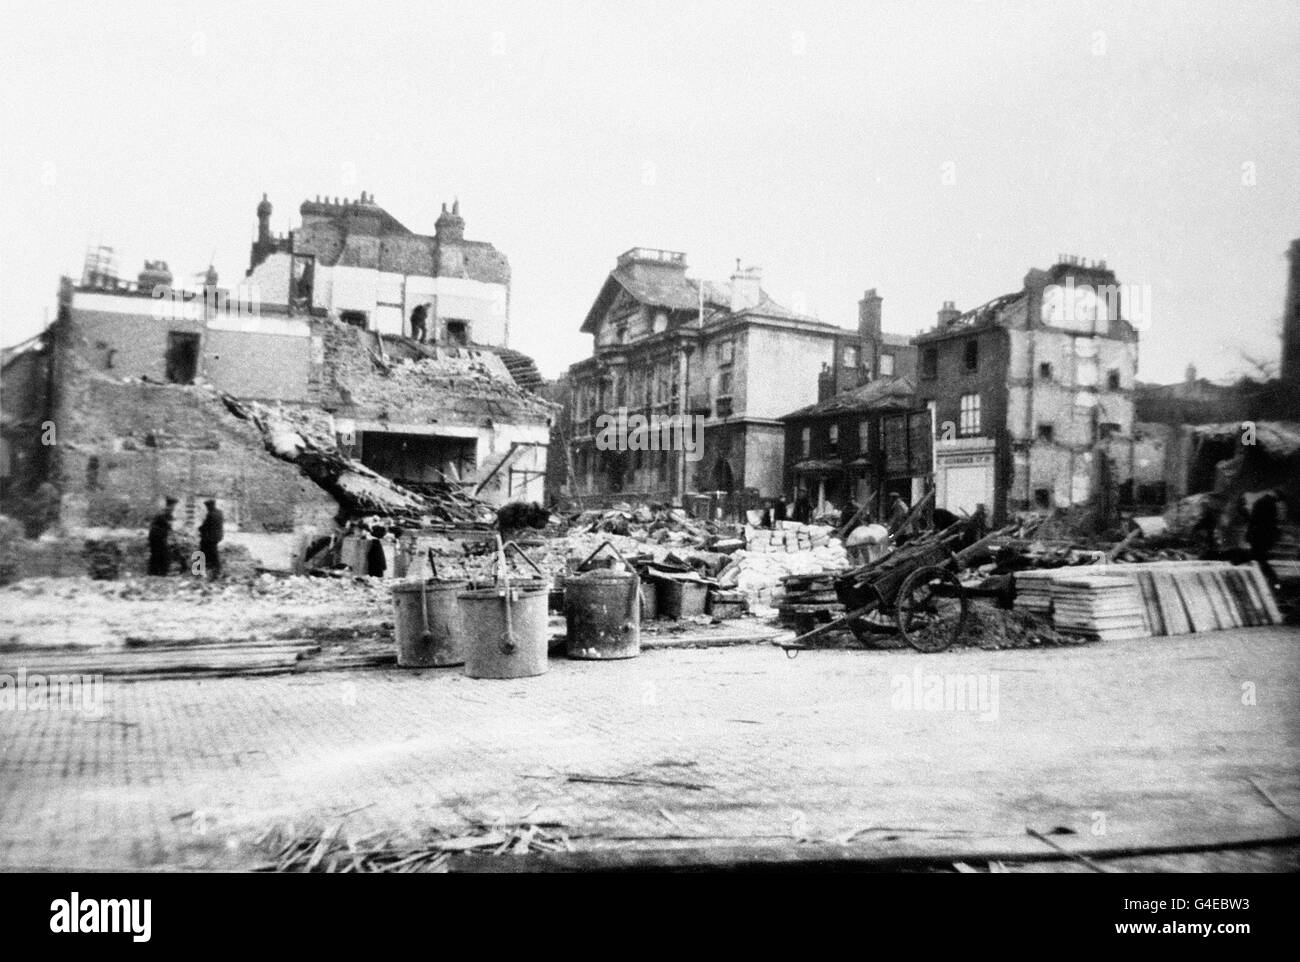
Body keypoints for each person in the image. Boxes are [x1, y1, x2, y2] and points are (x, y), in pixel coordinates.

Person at [1246, 489, 1281, 588]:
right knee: (1259, 558)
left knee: (1257, 558)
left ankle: (1271, 580)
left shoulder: (1260, 502)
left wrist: (1249, 534)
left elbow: (1252, 520)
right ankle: (1273, 580)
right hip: (1263, 537)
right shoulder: (1271, 505)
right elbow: (1272, 523)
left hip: (1256, 535)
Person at [148, 497, 178, 575]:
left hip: (156, 536)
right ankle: (161, 572)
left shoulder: (164, 512)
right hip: (157, 537)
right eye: (173, 506)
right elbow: (168, 525)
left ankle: (154, 572)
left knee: (156, 554)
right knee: (163, 554)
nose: (174, 508)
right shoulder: (165, 513)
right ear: (170, 505)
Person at [198, 499, 224, 579]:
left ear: (210, 506)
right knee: (213, 553)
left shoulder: (211, 514)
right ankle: (214, 570)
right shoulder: (219, 513)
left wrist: (200, 528)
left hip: (209, 538)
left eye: (207, 507)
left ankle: (201, 570)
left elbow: (205, 526)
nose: (207, 508)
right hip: (217, 536)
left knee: (204, 551)